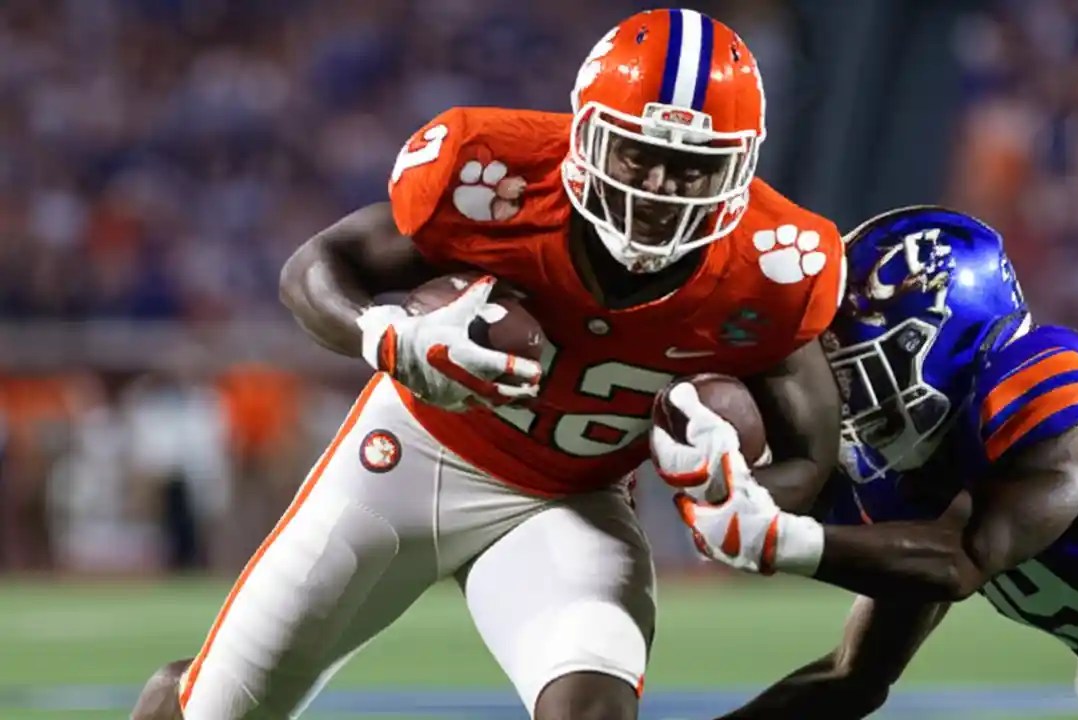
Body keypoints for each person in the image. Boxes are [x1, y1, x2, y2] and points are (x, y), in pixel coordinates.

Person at [130, 8, 847, 720]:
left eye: (693, 167)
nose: (660, 187)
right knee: (216, 712)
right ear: (587, 134)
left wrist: (744, 500)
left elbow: (807, 456)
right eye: (638, 154)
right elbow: (315, 267)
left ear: (739, 164)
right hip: (406, 459)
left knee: (591, 709)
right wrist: (386, 339)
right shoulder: (493, 175)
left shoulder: (774, 265)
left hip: (569, 501)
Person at [656, 206, 1078, 720]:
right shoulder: (930, 479)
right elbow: (852, 678)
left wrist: (779, 539)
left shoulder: (1049, 376)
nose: (846, 403)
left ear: (943, 338)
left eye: (858, 373)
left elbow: (963, 559)